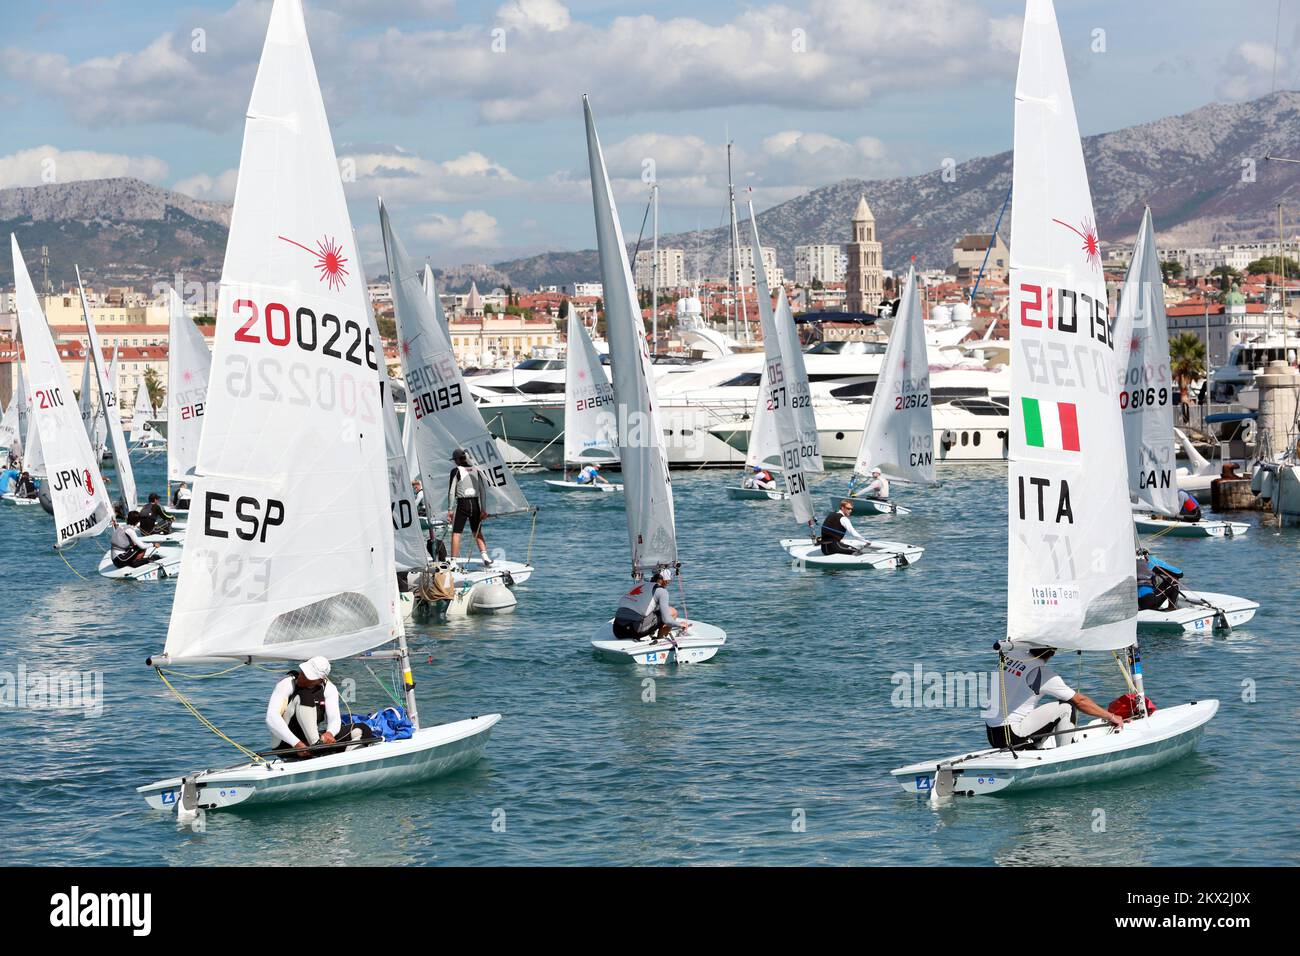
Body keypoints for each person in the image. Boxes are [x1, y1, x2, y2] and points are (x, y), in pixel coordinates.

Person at [983, 646, 1124, 750]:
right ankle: (1067, 754)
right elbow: (1081, 702)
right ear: (1053, 652)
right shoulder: (1043, 674)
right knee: (1066, 706)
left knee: (1027, 707)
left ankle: (1034, 747)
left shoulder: (1012, 654)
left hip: (993, 735)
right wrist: (1111, 717)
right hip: (1012, 736)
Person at [265, 657, 364, 759]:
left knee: (362, 729)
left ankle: (342, 760)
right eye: (303, 672)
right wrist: (297, 744)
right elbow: (271, 718)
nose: (302, 678)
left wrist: (330, 733)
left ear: (320, 680)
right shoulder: (286, 684)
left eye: (308, 677)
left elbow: (334, 719)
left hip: (313, 743)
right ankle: (317, 747)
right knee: (305, 695)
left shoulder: (329, 689)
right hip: (287, 745)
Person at [445, 448, 491, 566]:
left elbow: (451, 492)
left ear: (457, 460)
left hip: (463, 504)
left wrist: (450, 510)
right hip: (475, 504)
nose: (454, 462)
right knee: (477, 531)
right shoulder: (476, 470)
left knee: (456, 533)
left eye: (455, 460)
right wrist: (483, 509)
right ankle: (485, 557)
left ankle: (453, 562)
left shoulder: (456, 471)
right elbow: (482, 491)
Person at [612, 567, 681, 641]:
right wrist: (680, 625)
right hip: (634, 631)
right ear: (665, 580)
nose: (669, 582)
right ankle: (660, 640)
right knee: (672, 612)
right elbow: (667, 620)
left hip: (617, 630)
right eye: (669, 579)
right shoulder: (662, 591)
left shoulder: (638, 585)